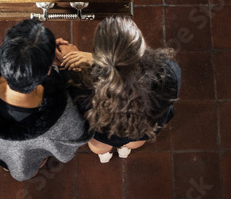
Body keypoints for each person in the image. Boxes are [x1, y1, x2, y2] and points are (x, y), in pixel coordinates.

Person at [0, 19, 87, 180]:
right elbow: (69, 146)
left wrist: (30, 54)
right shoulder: (64, 115)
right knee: (24, 162)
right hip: (23, 156)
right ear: (49, 70)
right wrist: (69, 68)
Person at [56, 17, 180, 162]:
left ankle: (104, 156)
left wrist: (72, 61)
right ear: (140, 45)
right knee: (134, 142)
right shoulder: (168, 71)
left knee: (99, 148)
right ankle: (125, 150)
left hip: (104, 137)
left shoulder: (82, 88)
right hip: (142, 131)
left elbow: (74, 110)